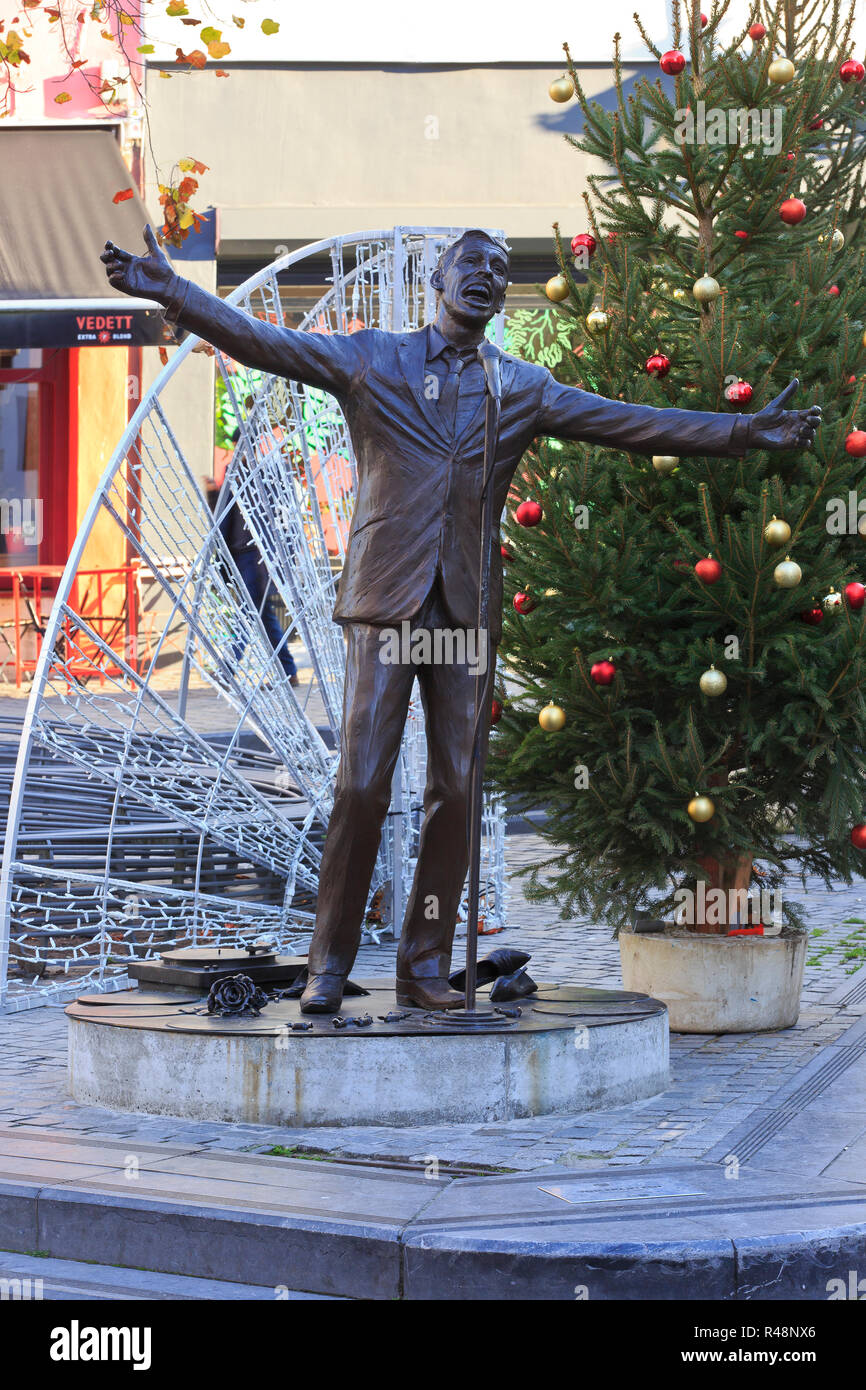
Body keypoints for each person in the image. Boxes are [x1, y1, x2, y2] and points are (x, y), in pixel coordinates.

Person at [102, 225, 821, 1014]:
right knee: (362, 785)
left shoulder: (521, 386)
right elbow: (265, 342)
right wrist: (173, 290)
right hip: (386, 602)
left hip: (466, 610)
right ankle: (328, 965)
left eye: (501, 270)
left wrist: (745, 433)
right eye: (472, 263)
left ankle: (423, 966)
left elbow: (629, 421)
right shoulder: (373, 358)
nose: (487, 275)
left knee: (457, 788)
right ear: (439, 279)